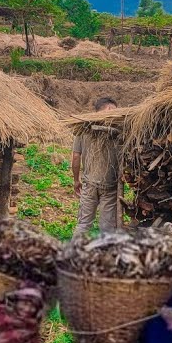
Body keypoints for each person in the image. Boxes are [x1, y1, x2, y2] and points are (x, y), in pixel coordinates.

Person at [72, 97, 121, 238]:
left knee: (83, 224)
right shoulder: (119, 130)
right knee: (107, 228)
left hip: (89, 184)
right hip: (110, 185)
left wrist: (76, 180)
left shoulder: (83, 129)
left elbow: (76, 157)